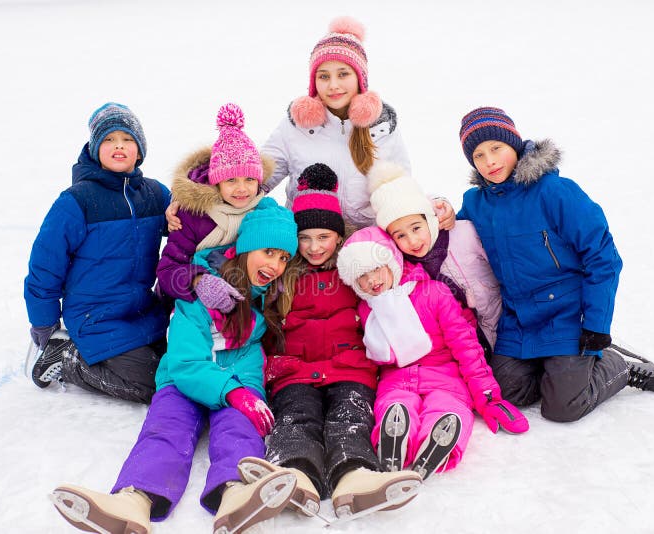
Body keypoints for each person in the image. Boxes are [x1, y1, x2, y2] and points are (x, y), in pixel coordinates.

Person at [49, 198, 301, 534]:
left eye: (284, 257)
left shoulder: (261, 305)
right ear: (245, 249)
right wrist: (233, 391)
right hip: (182, 385)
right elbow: (184, 364)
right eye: (268, 252)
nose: (276, 264)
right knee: (166, 431)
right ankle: (133, 500)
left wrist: (247, 392)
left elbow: (250, 361)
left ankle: (236, 495)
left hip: (236, 384)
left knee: (239, 432)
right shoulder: (199, 296)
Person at [456, 106, 654, 423]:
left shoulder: (555, 192)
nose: (490, 162)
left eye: (496, 148)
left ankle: (615, 363)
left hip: (568, 314)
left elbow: (602, 256)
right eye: (479, 156)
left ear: (514, 143)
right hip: (518, 319)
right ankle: (560, 368)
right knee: (501, 392)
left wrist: (596, 324)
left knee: (563, 406)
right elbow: (454, 242)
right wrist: (438, 214)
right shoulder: (475, 203)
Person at [237, 164, 421, 523]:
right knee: (295, 418)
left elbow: (398, 252)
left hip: (350, 369)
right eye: (305, 238)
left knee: (349, 416)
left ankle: (354, 476)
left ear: (339, 237)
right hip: (294, 371)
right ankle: (296, 473)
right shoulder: (281, 275)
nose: (314, 246)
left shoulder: (354, 269)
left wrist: (439, 209)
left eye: (323, 236)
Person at [164, 17, 454, 233]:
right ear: (313, 81)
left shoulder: (382, 128)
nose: (334, 85)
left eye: (343, 74)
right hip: (308, 237)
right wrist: (195, 200)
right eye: (324, 76)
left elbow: (402, 187)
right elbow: (254, 175)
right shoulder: (296, 126)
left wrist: (436, 203)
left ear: (360, 79)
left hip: (365, 241)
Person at [337, 227, 529, 481]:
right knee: (393, 402)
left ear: (393, 261)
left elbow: (466, 346)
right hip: (398, 381)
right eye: (362, 276)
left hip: (446, 377)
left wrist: (488, 397)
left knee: (449, 405)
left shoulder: (434, 293)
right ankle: (395, 434)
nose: (372, 280)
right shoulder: (368, 310)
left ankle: (439, 436)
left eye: (376, 269)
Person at [23, 102, 170, 403]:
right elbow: (45, 266)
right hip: (96, 318)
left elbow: (193, 223)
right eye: (108, 140)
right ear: (94, 149)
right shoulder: (77, 201)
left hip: (144, 312)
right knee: (154, 386)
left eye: (128, 139)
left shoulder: (155, 194)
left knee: (180, 373)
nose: (119, 146)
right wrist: (44, 324)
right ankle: (65, 357)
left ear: (140, 150)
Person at [365, 160, 501, 354]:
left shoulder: (464, 233)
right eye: (400, 235)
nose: (412, 241)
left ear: (428, 218)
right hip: (470, 345)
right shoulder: (407, 268)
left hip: (506, 324)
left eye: (416, 228)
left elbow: (503, 266)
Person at [157, 102, 272, 312]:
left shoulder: (263, 211)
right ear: (216, 183)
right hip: (192, 304)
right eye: (230, 181)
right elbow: (167, 270)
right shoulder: (193, 216)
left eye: (249, 179)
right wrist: (198, 281)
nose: (241, 189)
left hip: (243, 305)